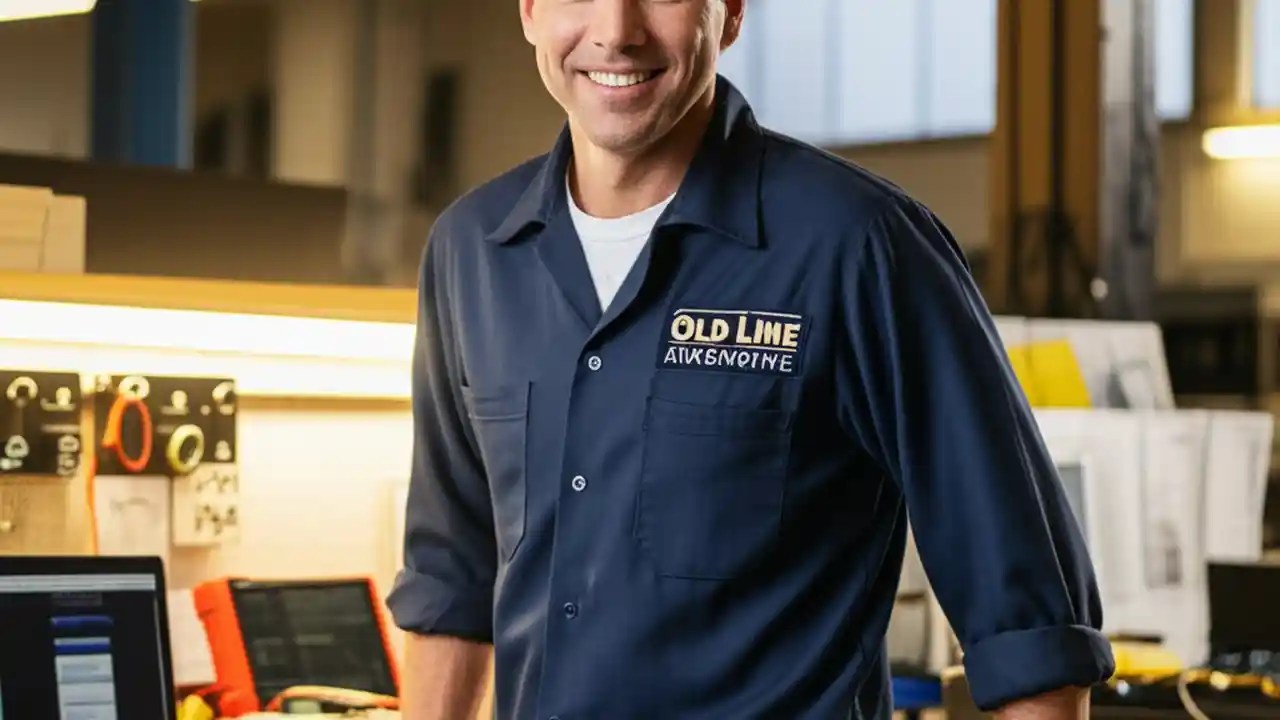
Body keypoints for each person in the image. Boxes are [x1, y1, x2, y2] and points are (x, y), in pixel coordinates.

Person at [386, 1, 1115, 718]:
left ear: (730, 14)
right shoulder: (472, 253)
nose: (616, 32)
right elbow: (452, 583)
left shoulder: (860, 245)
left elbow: (1031, 633)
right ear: (529, 12)